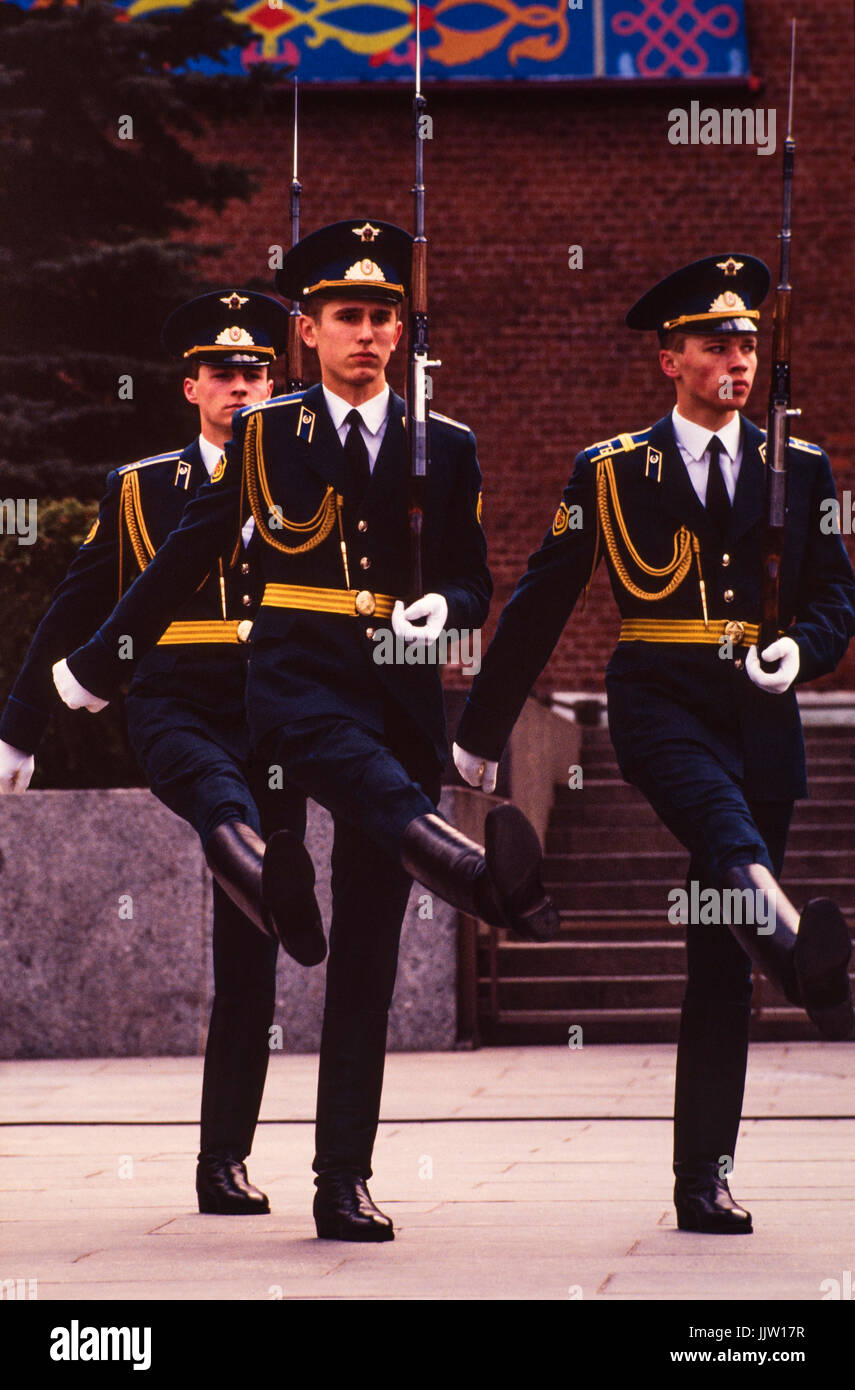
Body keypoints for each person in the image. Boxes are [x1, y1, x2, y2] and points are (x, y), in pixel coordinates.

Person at [53, 219, 559, 1240]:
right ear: (310, 330)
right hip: (294, 684)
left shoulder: (441, 442)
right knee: (363, 780)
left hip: (402, 682)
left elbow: (472, 574)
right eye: (347, 317)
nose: (367, 334)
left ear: (400, 330)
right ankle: (475, 877)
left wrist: (448, 611)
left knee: (366, 954)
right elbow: (189, 552)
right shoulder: (267, 433)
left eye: (383, 317)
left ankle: (343, 1180)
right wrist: (104, 659)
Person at [453, 254, 855, 1234]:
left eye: (749, 343)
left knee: (719, 954)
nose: (738, 359)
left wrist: (797, 650)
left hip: (761, 711)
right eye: (717, 344)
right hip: (660, 703)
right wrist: (479, 732)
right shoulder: (611, 469)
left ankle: (702, 1179)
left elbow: (838, 596)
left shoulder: (798, 471)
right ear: (669, 358)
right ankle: (804, 954)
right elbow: (542, 598)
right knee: (723, 832)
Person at [0, 289, 325, 1217]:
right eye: (222, 374)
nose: (240, 387)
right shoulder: (140, 486)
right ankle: (266, 875)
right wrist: (22, 723)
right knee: (218, 801)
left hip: (273, 708)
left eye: (256, 371)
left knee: (250, 955)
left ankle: (222, 1160)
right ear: (190, 386)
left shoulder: (304, 480)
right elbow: (75, 605)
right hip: (174, 699)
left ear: (273, 380)